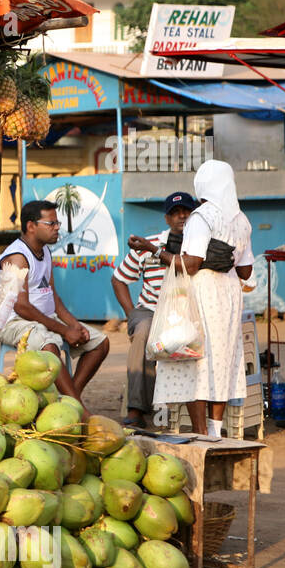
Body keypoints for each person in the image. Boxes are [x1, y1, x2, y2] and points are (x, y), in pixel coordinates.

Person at [152, 161, 255, 437]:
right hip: (230, 294)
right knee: (223, 358)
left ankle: (199, 432)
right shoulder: (242, 220)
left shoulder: (201, 217)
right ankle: (215, 429)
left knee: (195, 355)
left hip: (203, 292)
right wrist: (225, 256)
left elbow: (192, 263)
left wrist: (155, 251)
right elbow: (245, 270)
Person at [0, 200, 109, 401]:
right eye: (51, 224)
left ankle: (69, 400)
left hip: (43, 318)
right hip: (14, 322)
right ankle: (79, 410)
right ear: (31, 226)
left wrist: (74, 326)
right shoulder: (17, 257)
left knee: (100, 343)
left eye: (57, 223)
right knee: (49, 346)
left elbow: (53, 297)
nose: (57, 228)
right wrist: (64, 330)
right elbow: (21, 307)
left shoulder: (45, 251)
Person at [111, 191, 199, 427]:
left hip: (187, 314)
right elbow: (118, 279)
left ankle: (204, 410)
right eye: (175, 213)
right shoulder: (147, 245)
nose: (181, 216)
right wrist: (131, 314)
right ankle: (136, 409)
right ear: (167, 219)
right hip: (150, 310)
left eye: (186, 211)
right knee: (143, 332)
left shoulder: (199, 246)